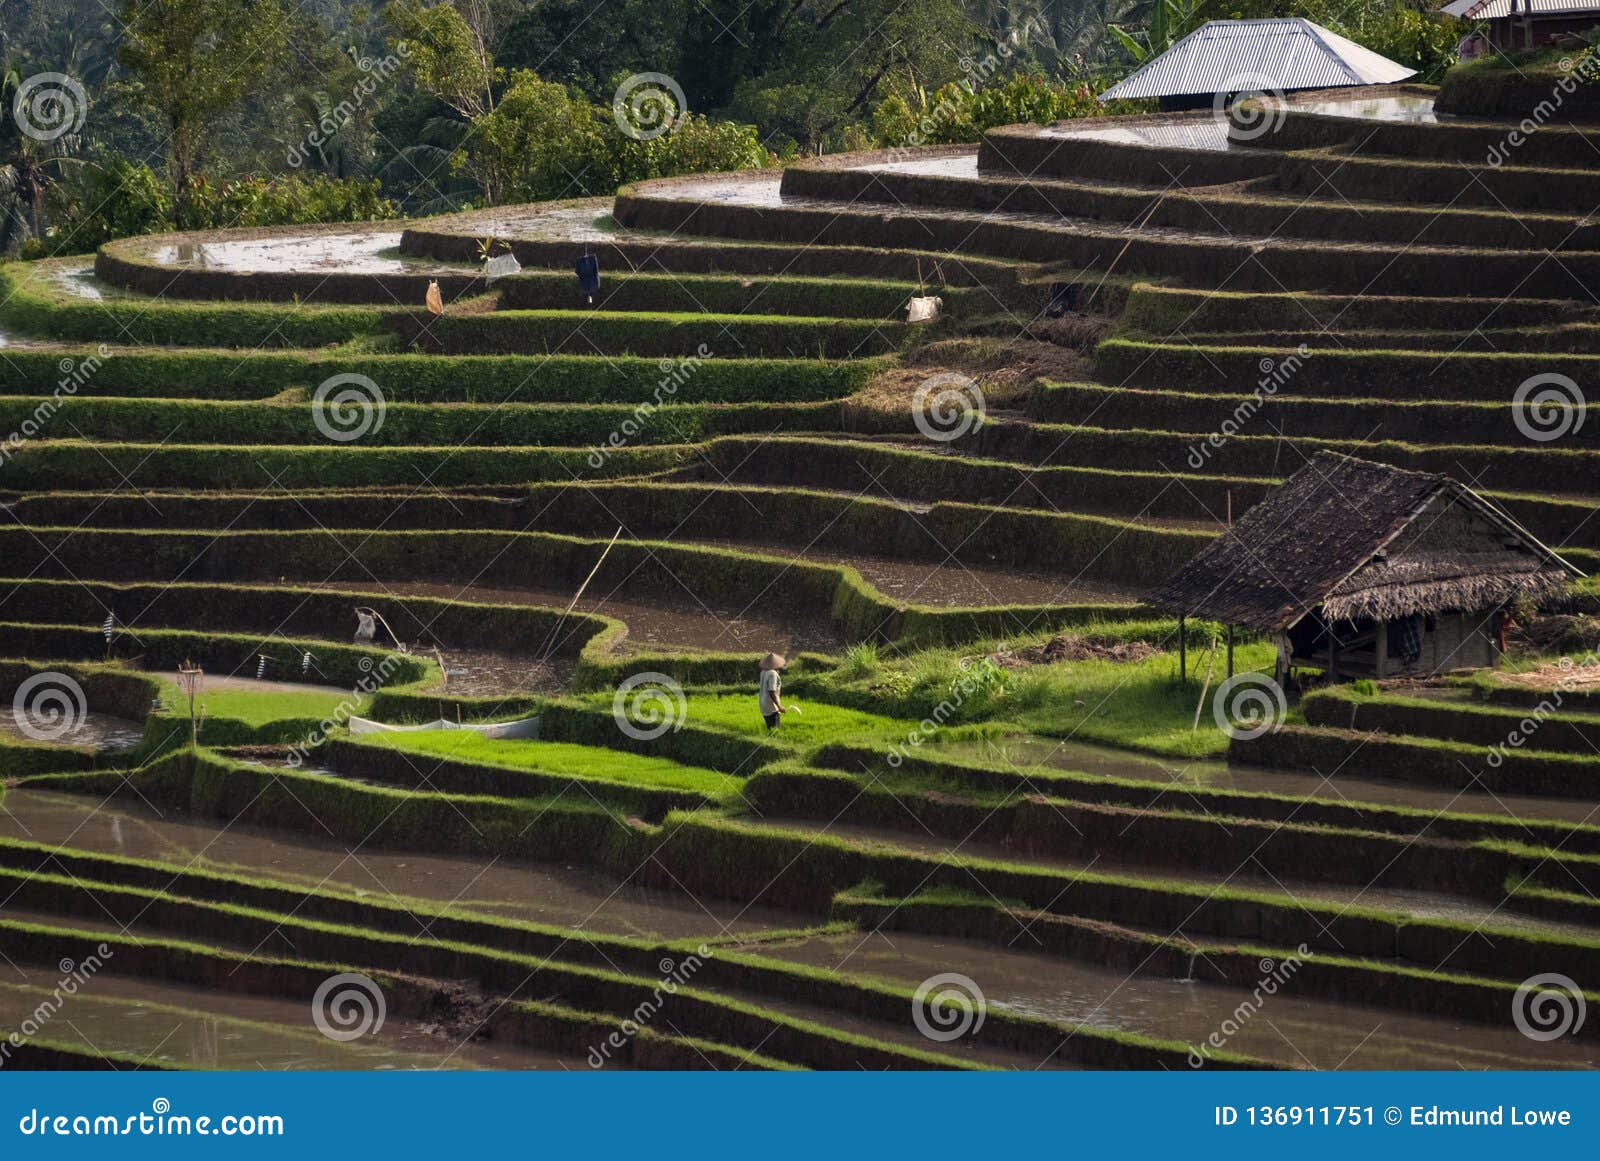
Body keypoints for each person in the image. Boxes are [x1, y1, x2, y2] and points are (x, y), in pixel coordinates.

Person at [758, 652, 787, 731]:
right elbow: (771, 691)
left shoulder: (763, 672)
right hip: (771, 706)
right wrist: (779, 706)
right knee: (775, 730)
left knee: (770, 728)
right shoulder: (773, 674)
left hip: (763, 705)